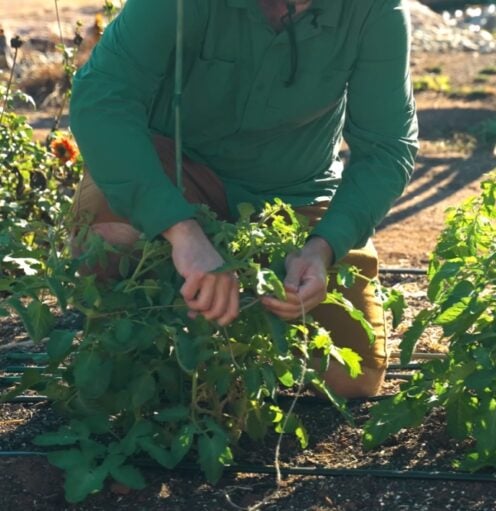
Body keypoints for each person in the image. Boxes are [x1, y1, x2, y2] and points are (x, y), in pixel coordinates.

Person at [68, 0, 419, 397]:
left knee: (353, 378)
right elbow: (101, 98)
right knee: (112, 241)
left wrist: (323, 247)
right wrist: (181, 230)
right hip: (175, 172)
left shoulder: (375, 11)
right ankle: (137, 340)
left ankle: (226, 329)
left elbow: (387, 148)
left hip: (295, 194)